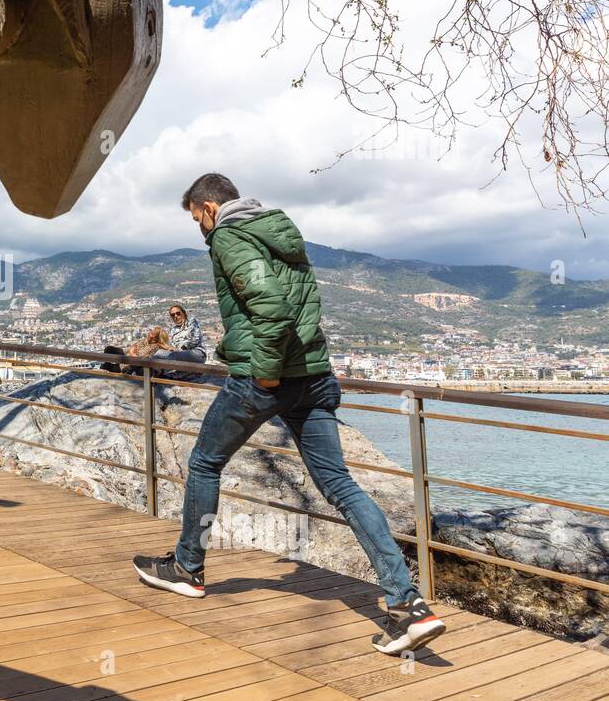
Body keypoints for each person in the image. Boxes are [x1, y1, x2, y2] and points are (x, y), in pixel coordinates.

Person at [132, 173, 445, 656]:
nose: (200, 231)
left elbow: (272, 309)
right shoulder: (278, 231)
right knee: (340, 485)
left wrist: (266, 375)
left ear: (209, 207)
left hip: (266, 378)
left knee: (204, 463)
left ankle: (186, 567)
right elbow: (298, 306)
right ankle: (408, 606)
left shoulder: (230, 236)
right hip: (315, 375)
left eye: (197, 219)